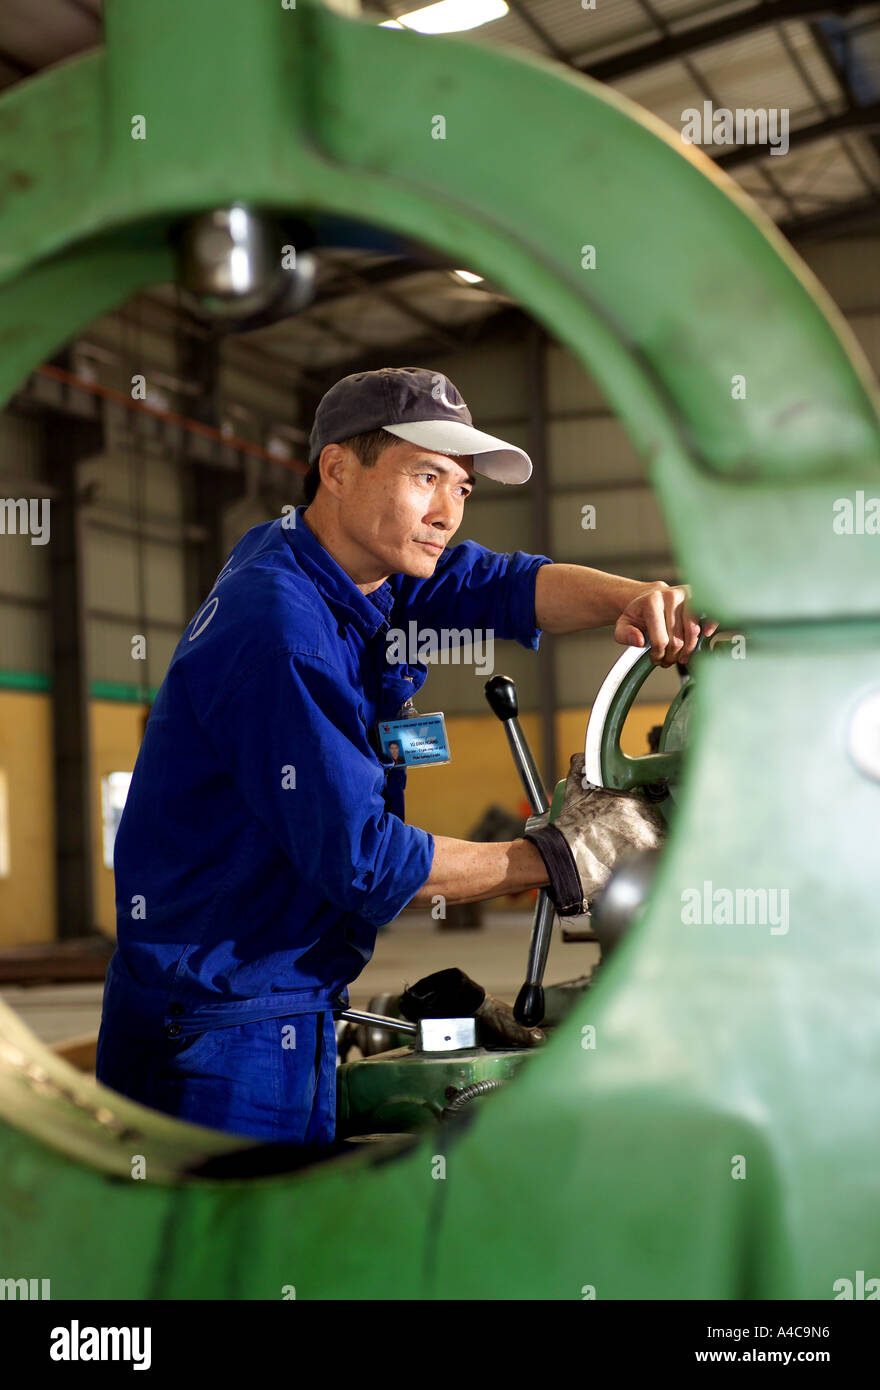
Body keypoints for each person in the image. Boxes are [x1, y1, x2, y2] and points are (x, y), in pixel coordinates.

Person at [95, 366, 712, 1146]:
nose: (447, 512)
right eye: (426, 477)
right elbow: (366, 861)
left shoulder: (344, 564)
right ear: (337, 469)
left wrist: (636, 598)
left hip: (267, 998)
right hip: (224, 1024)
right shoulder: (281, 630)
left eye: (461, 487)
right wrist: (562, 854)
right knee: (237, 1258)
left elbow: (506, 586)